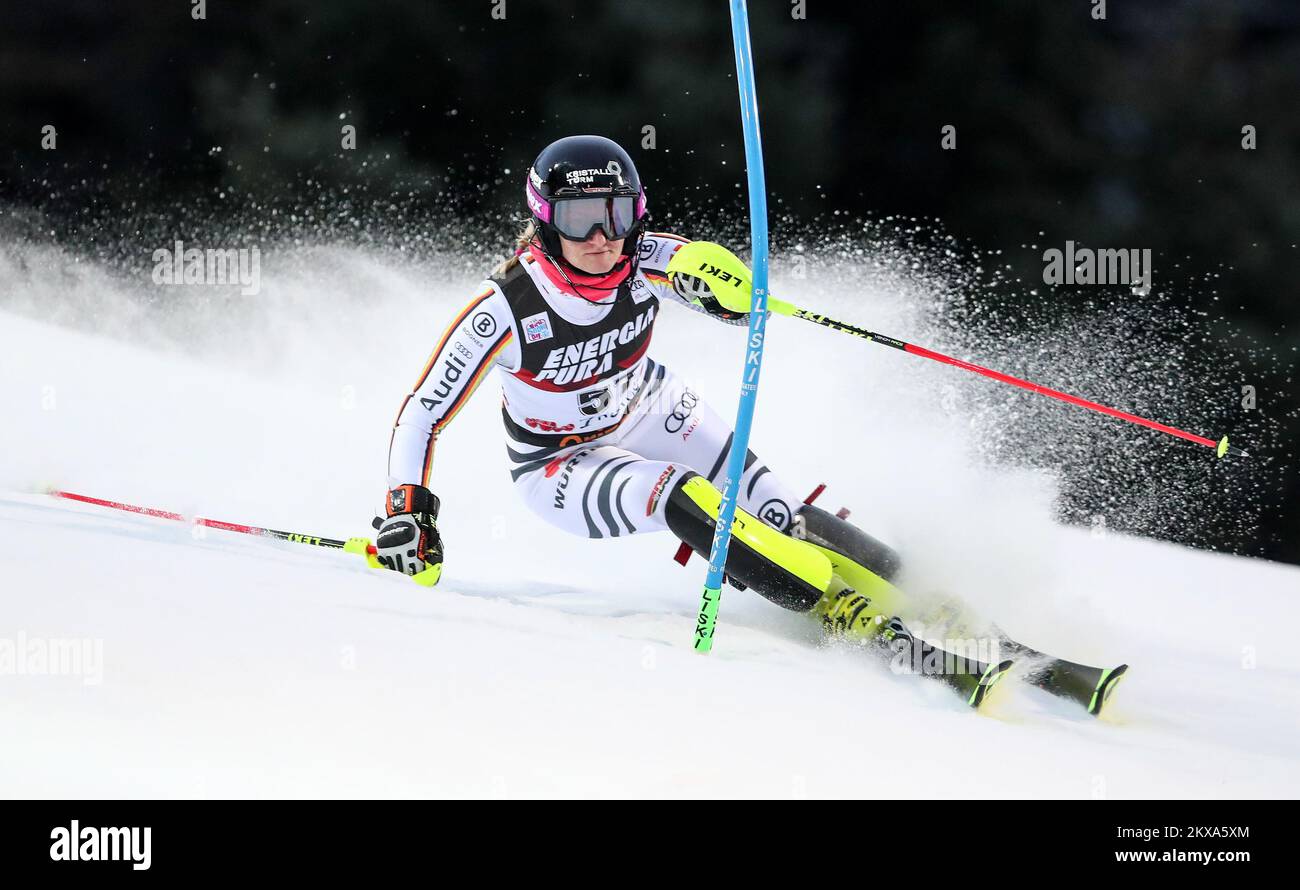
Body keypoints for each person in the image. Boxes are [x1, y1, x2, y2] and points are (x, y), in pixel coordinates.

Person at [373, 135, 903, 640]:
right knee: (676, 491)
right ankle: (839, 611)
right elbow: (423, 412)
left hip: (648, 403)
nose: (601, 238)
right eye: (579, 220)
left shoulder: (644, 259)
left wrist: (728, 292)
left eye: (616, 214)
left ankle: (914, 592)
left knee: (776, 511)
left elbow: (722, 286)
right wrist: (408, 511)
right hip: (558, 461)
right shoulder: (503, 309)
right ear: (544, 221)